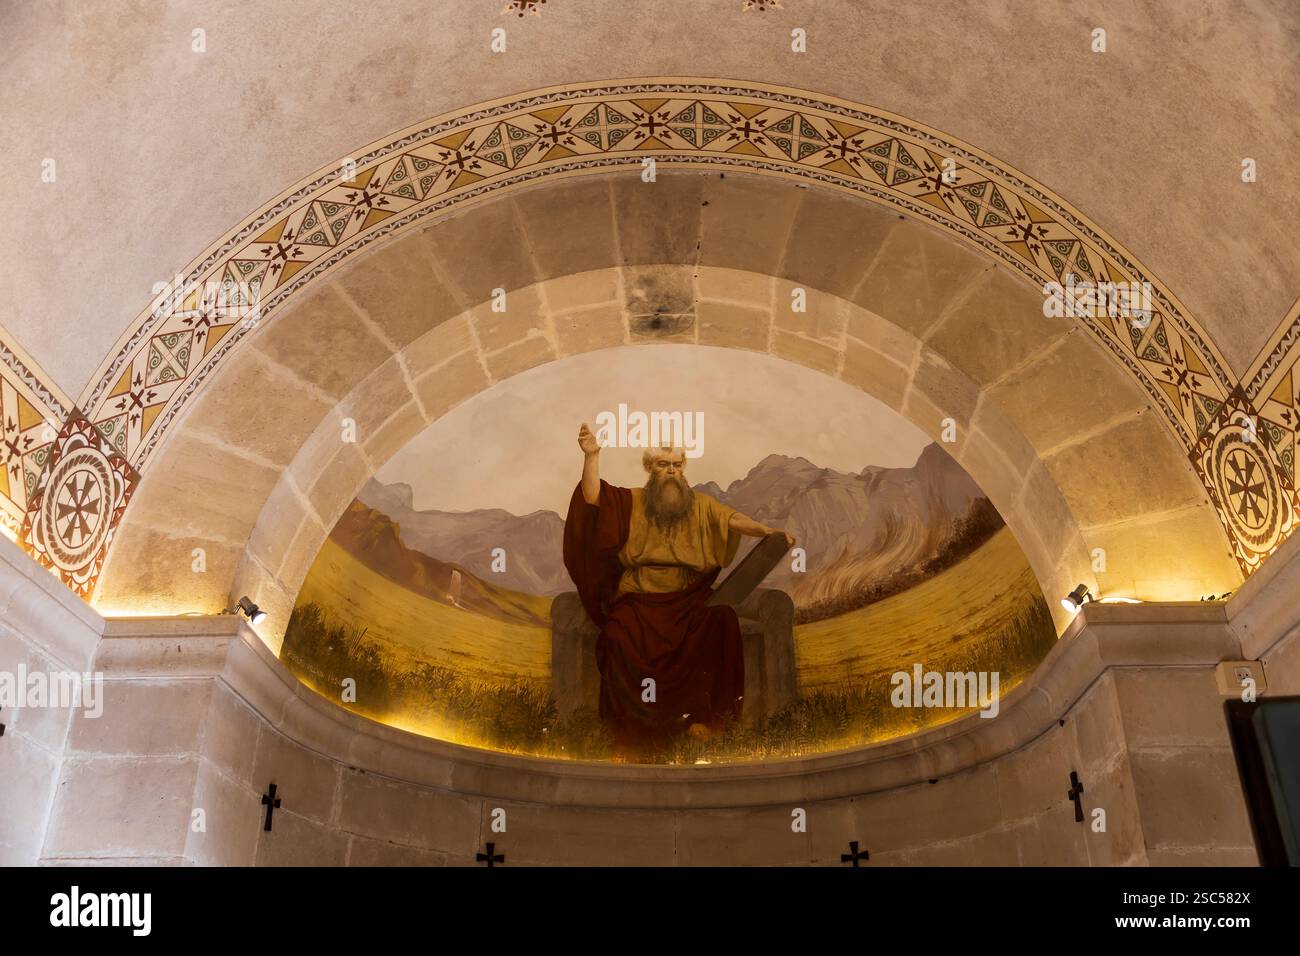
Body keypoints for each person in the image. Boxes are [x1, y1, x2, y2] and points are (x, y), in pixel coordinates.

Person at [562, 423, 794, 755]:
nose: (671, 471)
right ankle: (631, 731)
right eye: (663, 465)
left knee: (722, 620)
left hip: (685, 598)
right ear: (650, 469)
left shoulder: (698, 504)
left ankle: (708, 719)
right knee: (617, 635)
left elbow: (734, 520)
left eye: (676, 465)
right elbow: (593, 496)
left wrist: (769, 531)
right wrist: (592, 456)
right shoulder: (631, 500)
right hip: (639, 598)